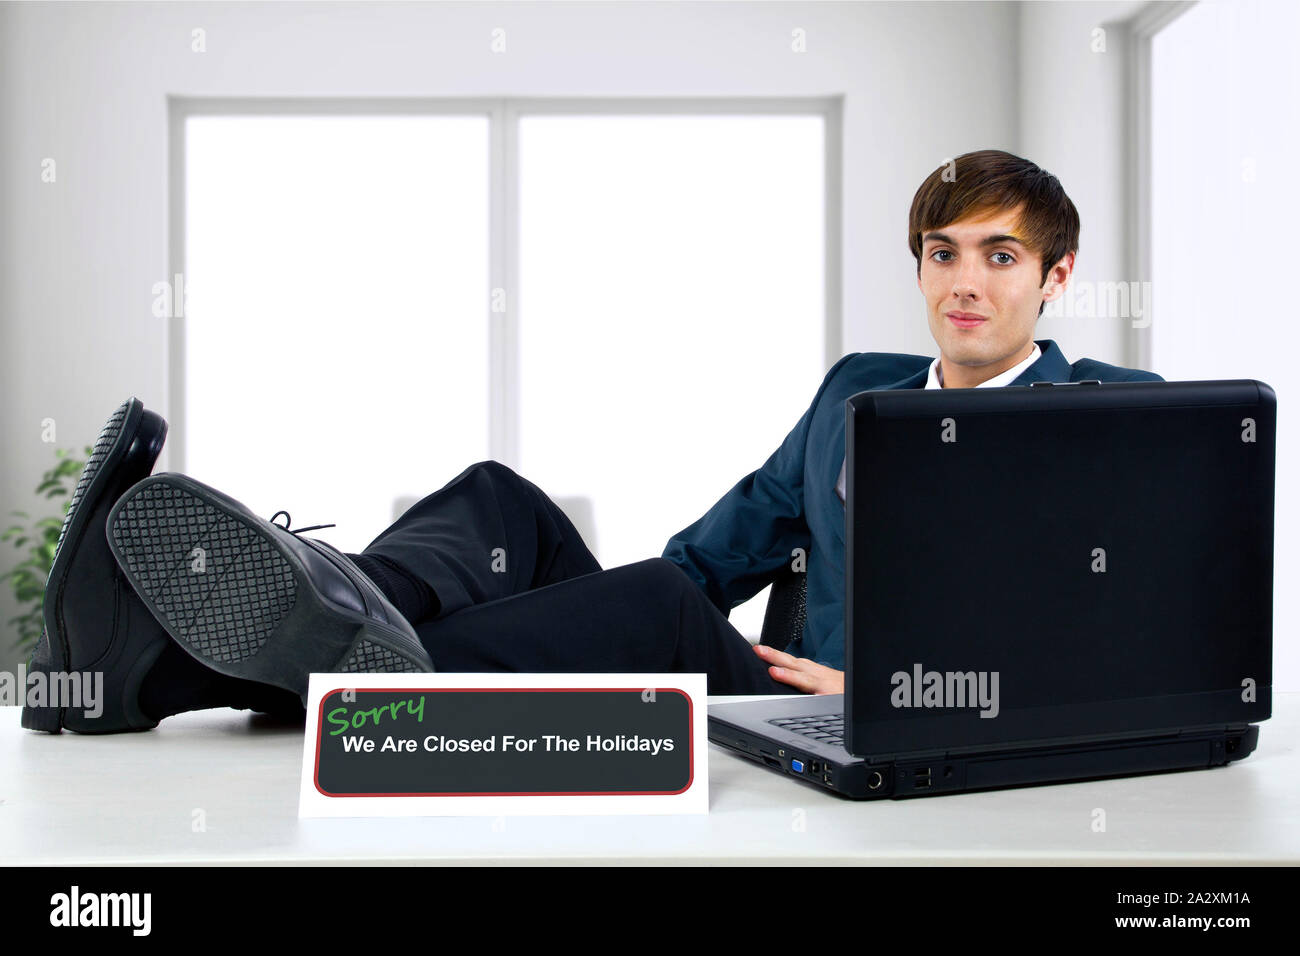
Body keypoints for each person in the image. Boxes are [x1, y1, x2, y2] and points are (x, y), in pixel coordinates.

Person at [22, 148, 1163, 735]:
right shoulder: (857, 390)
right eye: (942, 250)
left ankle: (191, 661)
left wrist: (897, 688)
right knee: (501, 501)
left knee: (653, 608)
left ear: (1057, 274)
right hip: (756, 686)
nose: (964, 280)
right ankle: (270, 631)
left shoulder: (1107, 415)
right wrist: (575, 608)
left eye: (999, 255)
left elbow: (1120, 643)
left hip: (854, 717)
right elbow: (712, 555)